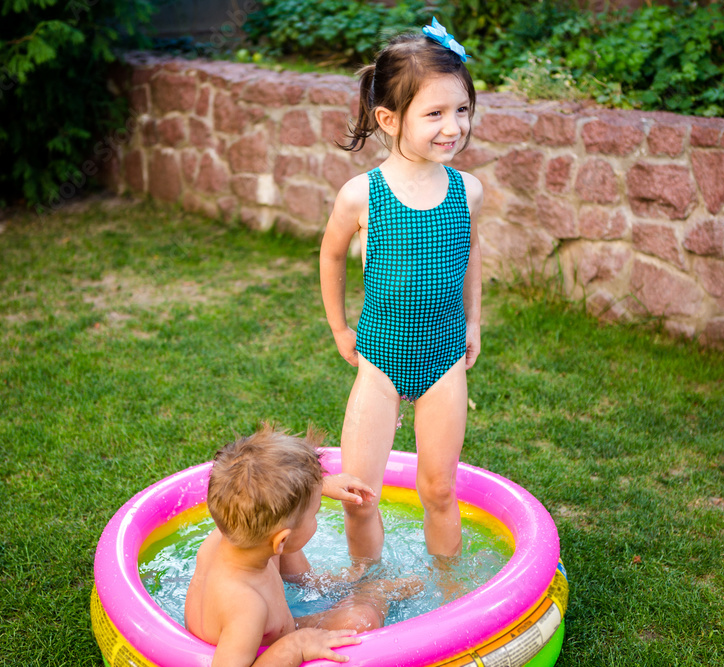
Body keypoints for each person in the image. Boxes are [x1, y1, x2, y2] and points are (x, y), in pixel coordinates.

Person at [319, 18, 483, 563]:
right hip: (381, 363)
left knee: (439, 490)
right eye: (434, 114)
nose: (452, 127)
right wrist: (340, 327)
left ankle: (449, 597)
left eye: (461, 110)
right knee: (360, 497)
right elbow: (332, 254)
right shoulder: (362, 195)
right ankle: (368, 588)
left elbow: (470, 253)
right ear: (389, 119)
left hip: (443, 361)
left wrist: (474, 322)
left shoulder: (468, 190)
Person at [184, 424, 422, 667]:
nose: (316, 516)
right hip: (268, 643)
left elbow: (261, 501)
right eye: (315, 513)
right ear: (283, 540)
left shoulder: (231, 533)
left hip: (256, 622)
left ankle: (311, 582)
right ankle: (375, 592)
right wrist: (295, 646)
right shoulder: (247, 608)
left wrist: (315, 489)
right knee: (360, 620)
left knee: (267, 533)